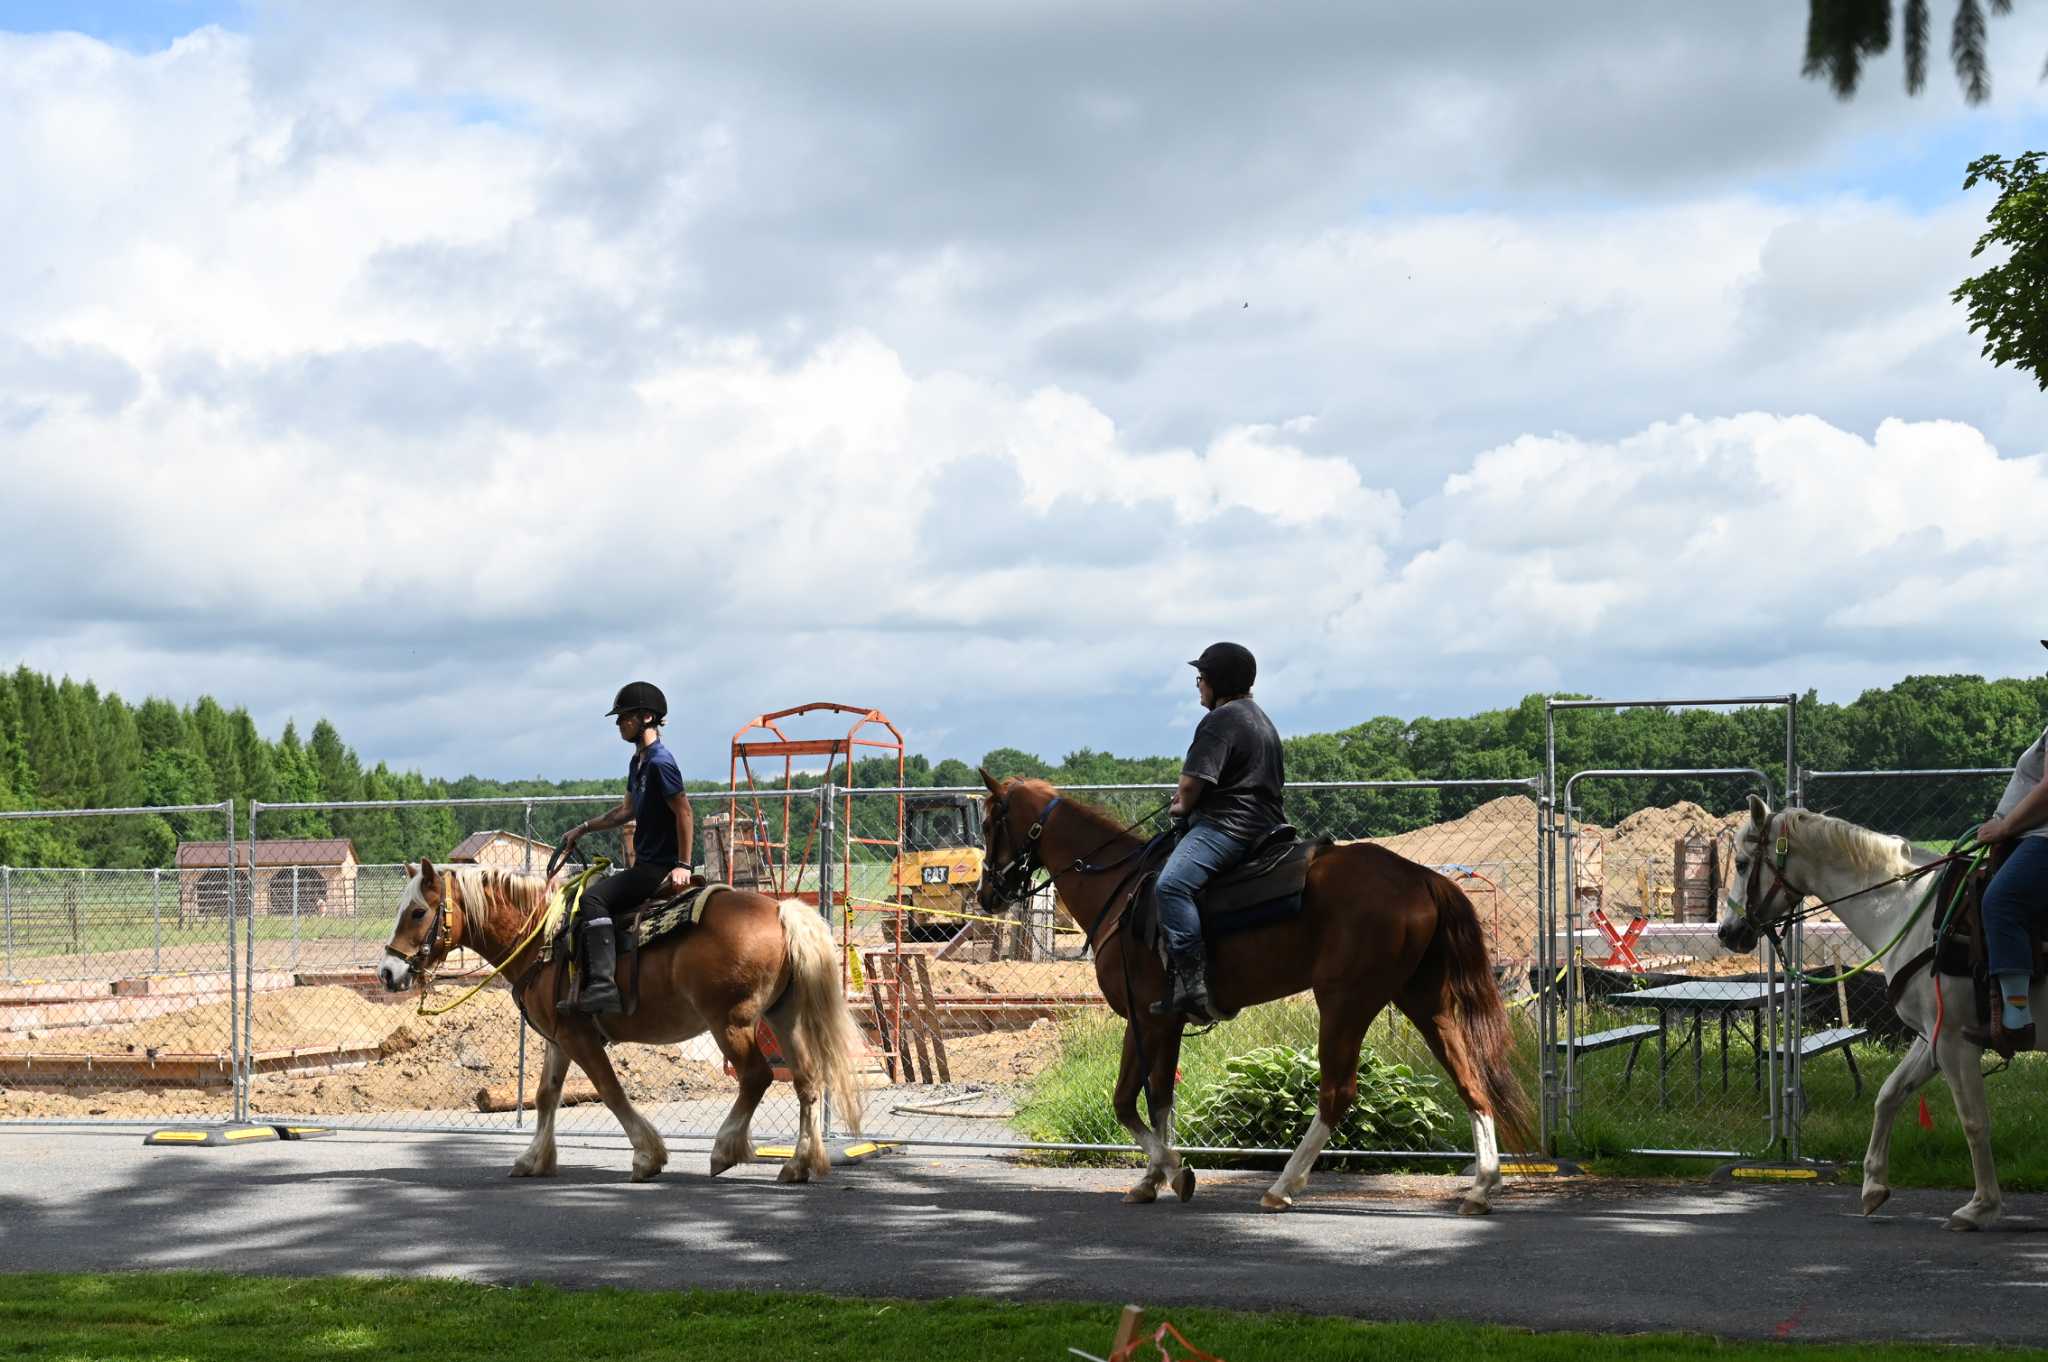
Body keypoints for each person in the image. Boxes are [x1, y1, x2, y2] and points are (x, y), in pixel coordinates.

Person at [1150, 642, 1286, 1021]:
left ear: (1217, 682)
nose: (1199, 685)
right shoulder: (1259, 717)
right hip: (1268, 823)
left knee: (1171, 886)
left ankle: (1193, 986)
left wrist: (1178, 805)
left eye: (1202, 678)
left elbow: (1191, 787)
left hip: (1228, 826)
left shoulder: (1220, 720)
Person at [555, 682, 696, 1014]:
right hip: (644, 865)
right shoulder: (638, 763)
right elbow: (625, 812)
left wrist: (684, 865)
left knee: (592, 898)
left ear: (647, 717)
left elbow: (684, 811)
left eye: (625, 717)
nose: (619, 724)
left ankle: (603, 987)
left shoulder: (661, 762)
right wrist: (583, 828)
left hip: (656, 867)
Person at [1963, 640, 2048, 1057]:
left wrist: (2005, 827)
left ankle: (2015, 1021)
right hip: (2031, 836)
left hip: (2042, 838)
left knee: (2000, 902)